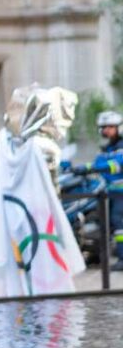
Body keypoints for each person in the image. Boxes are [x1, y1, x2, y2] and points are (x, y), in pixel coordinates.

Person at [71, 110, 123, 272]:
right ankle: (97, 256)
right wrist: (77, 168)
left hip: (121, 193)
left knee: (118, 223)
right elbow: (96, 163)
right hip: (107, 192)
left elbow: (116, 165)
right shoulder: (105, 149)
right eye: (104, 127)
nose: (106, 130)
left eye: (110, 127)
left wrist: (94, 167)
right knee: (102, 222)